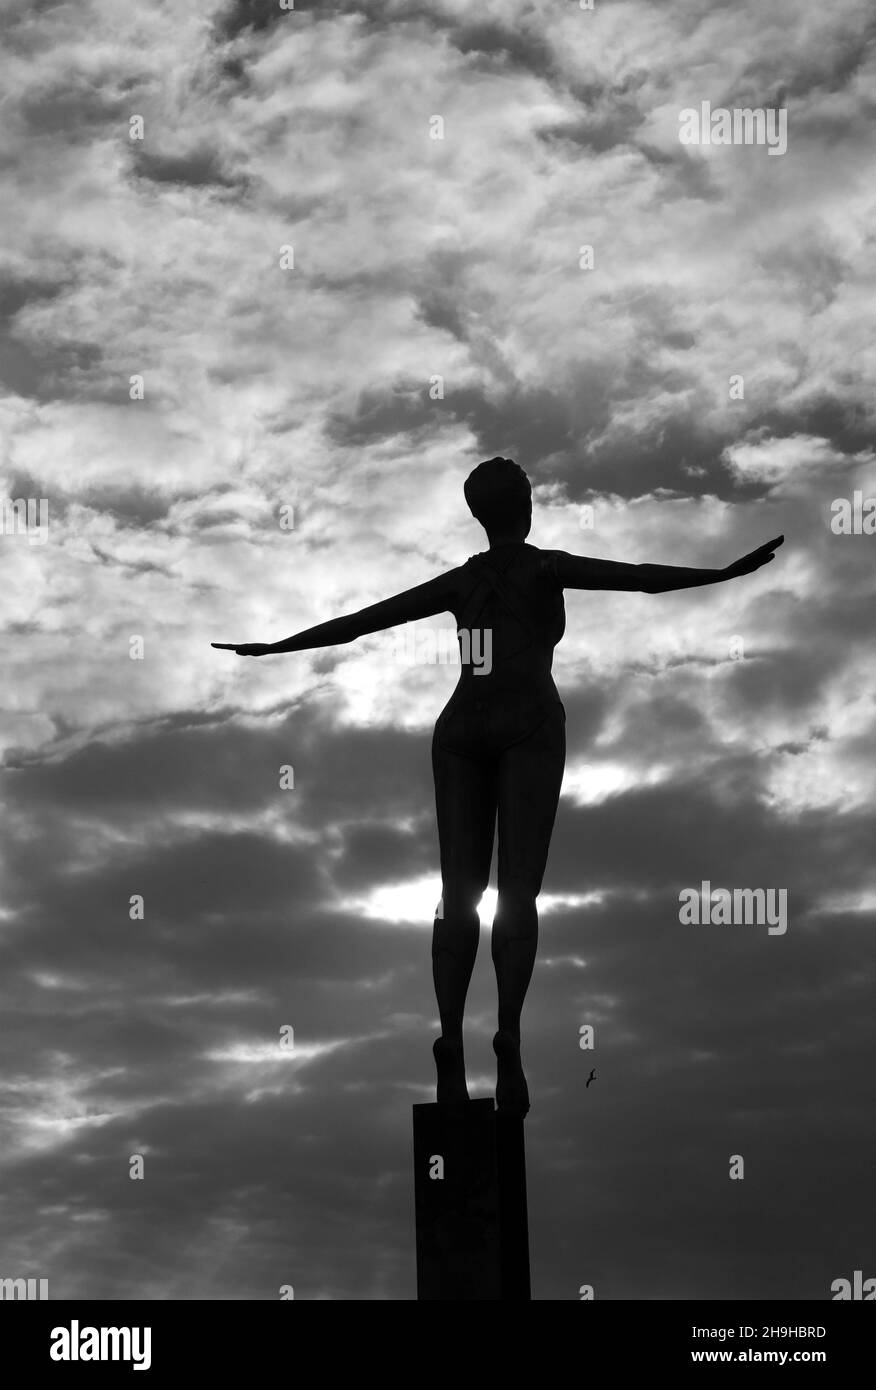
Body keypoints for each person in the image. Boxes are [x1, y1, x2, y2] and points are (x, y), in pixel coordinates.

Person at [213, 457, 783, 1115]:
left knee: (458, 893)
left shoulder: (462, 580)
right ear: (527, 507)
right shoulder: (545, 566)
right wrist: (722, 573)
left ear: (478, 515)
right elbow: (640, 581)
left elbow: (364, 620)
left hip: (460, 726)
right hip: (526, 720)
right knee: (517, 890)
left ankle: (449, 1036)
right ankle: (507, 1031)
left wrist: (277, 646)